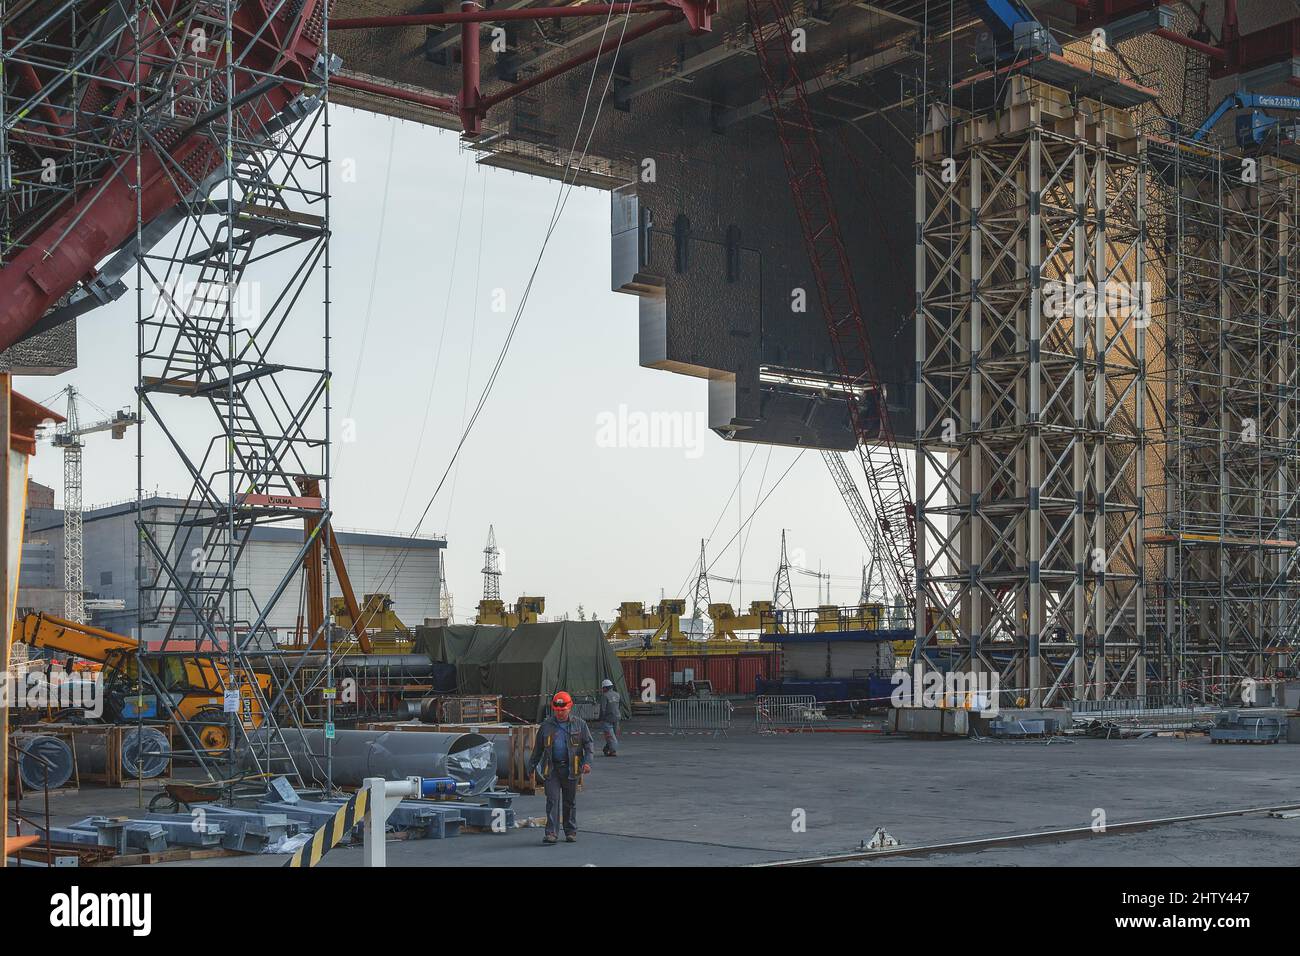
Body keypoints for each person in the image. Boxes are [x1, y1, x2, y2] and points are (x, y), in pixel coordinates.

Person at [526, 690, 593, 844]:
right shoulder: (546, 726)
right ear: (553, 709)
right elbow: (538, 749)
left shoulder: (580, 724)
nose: (560, 713)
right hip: (552, 769)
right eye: (557, 710)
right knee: (552, 800)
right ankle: (551, 833)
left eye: (563, 710)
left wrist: (588, 762)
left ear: (570, 707)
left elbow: (589, 744)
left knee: (570, 802)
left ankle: (570, 831)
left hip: (572, 768)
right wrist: (530, 768)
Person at [597, 678, 621, 756]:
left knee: (610, 736)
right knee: (612, 735)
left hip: (607, 719)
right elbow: (618, 706)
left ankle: (613, 751)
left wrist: (600, 718)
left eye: (603, 688)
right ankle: (607, 748)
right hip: (617, 718)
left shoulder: (604, 696)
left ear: (605, 688)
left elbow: (603, 709)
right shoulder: (617, 695)